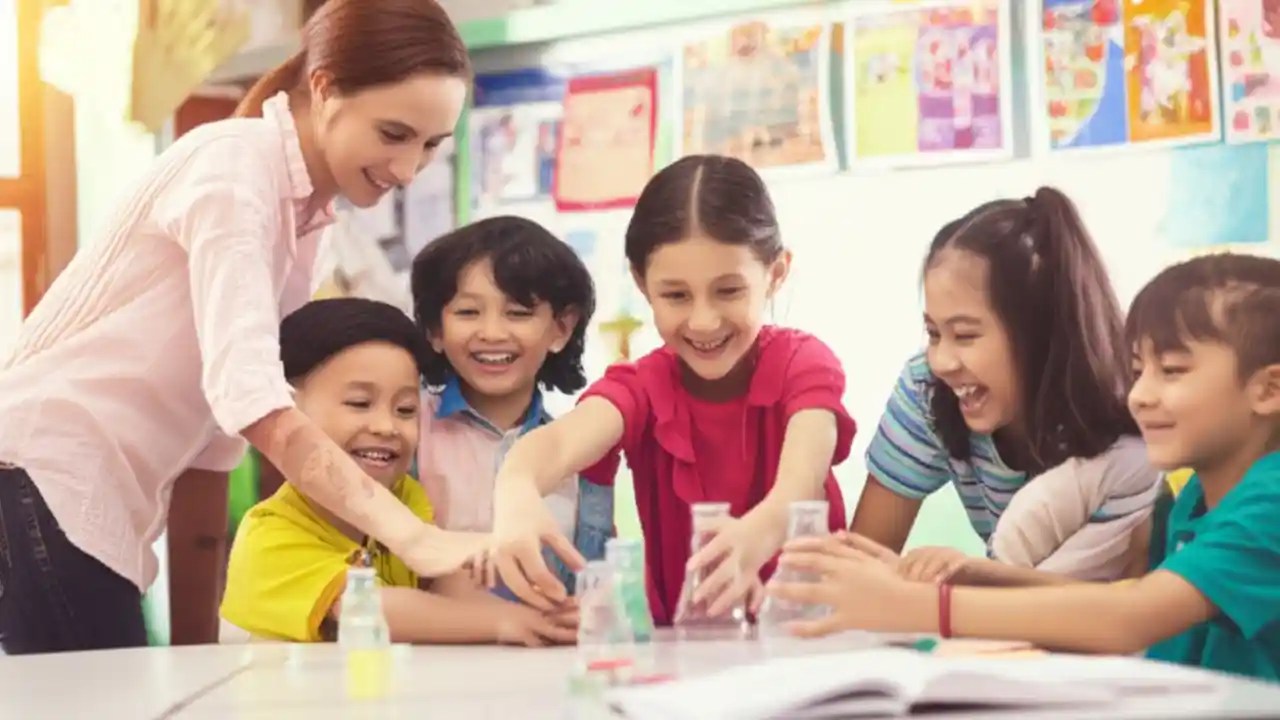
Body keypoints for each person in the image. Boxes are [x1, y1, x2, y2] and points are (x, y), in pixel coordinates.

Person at [0, 0, 479, 654]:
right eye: (393, 134)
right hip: (44, 468)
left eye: (430, 146)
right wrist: (415, 538)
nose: (407, 169)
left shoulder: (307, 224)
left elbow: (214, 449)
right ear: (324, 88)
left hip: (76, 494)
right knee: (99, 696)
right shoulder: (234, 167)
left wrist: (196, 656)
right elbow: (253, 400)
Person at [773, 253, 1280, 682]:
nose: (1140, 395)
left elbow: (1131, 618)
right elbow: (1128, 600)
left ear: (1269, 389)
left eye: (1171, 371)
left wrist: (915, 607)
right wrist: (965, 578)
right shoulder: (1198, 497)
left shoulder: (1271, 502)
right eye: (1136, 371)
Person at [484, 155, 856, 624]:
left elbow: (800, 484)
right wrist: (516, 488)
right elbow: (557, 444)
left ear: (776, 274)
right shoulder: (641, 387)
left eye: (729, 290)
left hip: (813, 636)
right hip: (687, 645)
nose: (703, 321)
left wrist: (758, 534)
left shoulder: (804, 365)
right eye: (676, 295)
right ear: (642, 285)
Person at [220, 299, 576, 646]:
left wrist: (544, 616)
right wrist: (502, 622)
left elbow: (444, 582)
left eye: (405, 409)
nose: (386, 426)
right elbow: (367, 608)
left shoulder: (405, 496)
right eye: (360, 403)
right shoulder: (268, 534)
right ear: (287, 411)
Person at [851, 188, 1158, 586]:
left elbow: (1110, 603)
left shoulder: (1131, 423)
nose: (942, 361)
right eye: (933, 333)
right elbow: (862, 563)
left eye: (965, 335)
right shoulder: (927, 389)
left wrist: (963, 581)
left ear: (1041, 331)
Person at [410, 215, 610, 597]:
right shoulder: (409, 431)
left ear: (561, 329)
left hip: (546, 636)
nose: (492, 333)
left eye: (518, 313)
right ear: (435, 329)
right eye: (468, 312)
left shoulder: (579, 455)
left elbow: (593, 585)